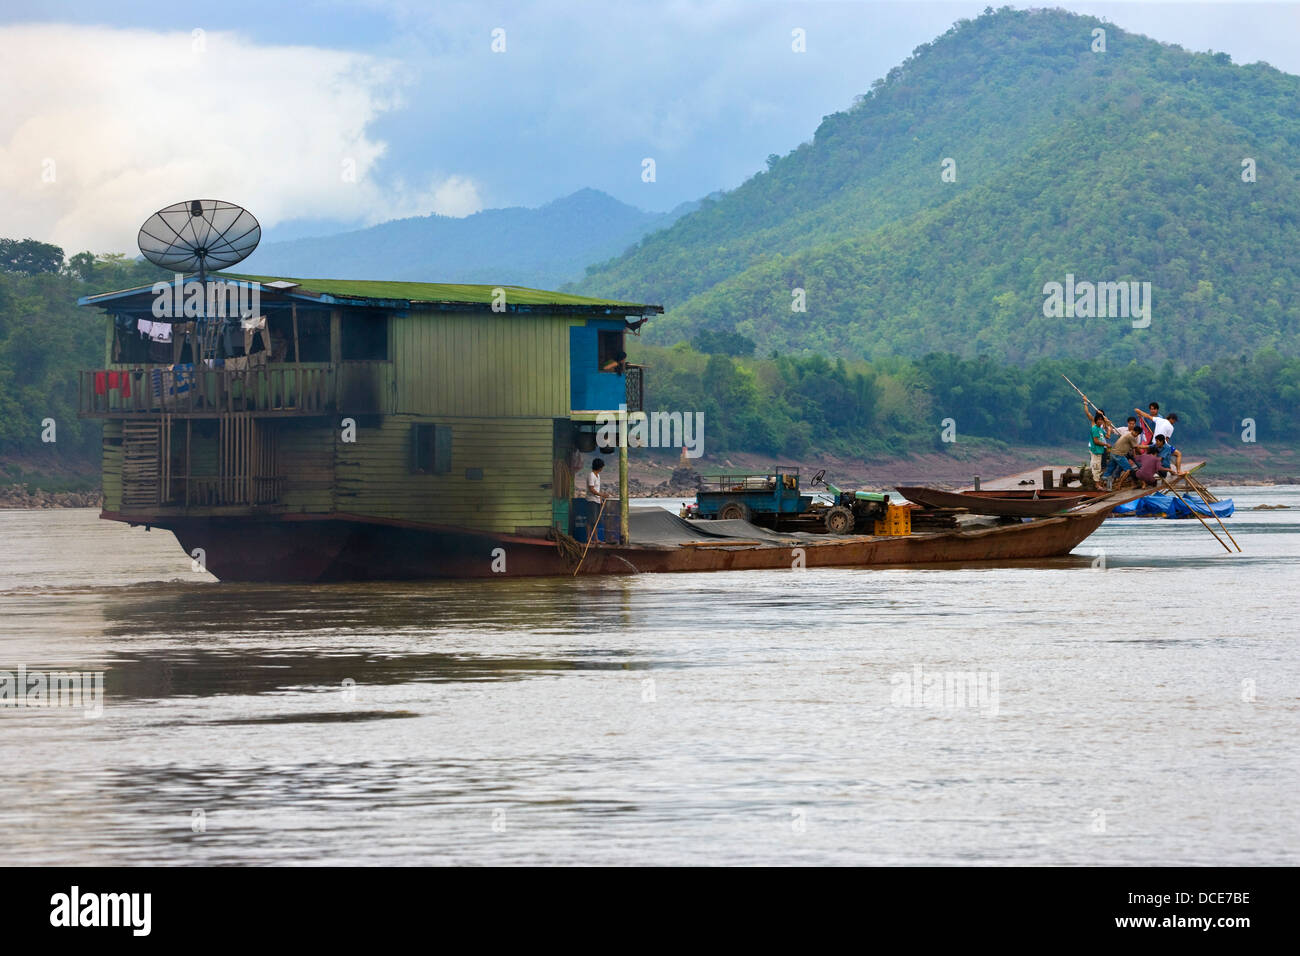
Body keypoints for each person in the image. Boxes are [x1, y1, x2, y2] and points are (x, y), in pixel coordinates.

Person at [584, 458, 612, 542]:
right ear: (599, 467)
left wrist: (600, 499)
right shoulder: (591, 475)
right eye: (602, 467)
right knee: (591, 520)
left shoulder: (598, 475)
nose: (602, 468)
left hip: (596, 500)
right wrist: (602, 495)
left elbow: (597, 489)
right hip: (591, 500)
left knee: (595, 520)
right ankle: (589, 538)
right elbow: (592, 489)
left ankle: (595, 538)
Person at [1084, 404, 1110, 485]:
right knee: (1095, 464)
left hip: (1102, 447)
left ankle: (1099, 480)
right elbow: (1087, 413)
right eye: (1098, 417)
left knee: (1102, 465)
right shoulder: (1094, 424)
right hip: (1095, 447)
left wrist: (1108, 426)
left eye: (1101, 417)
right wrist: (1085, 403)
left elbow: (1108, 435)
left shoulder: (1104, 424)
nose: (1100, 420)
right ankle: (1096, 481)